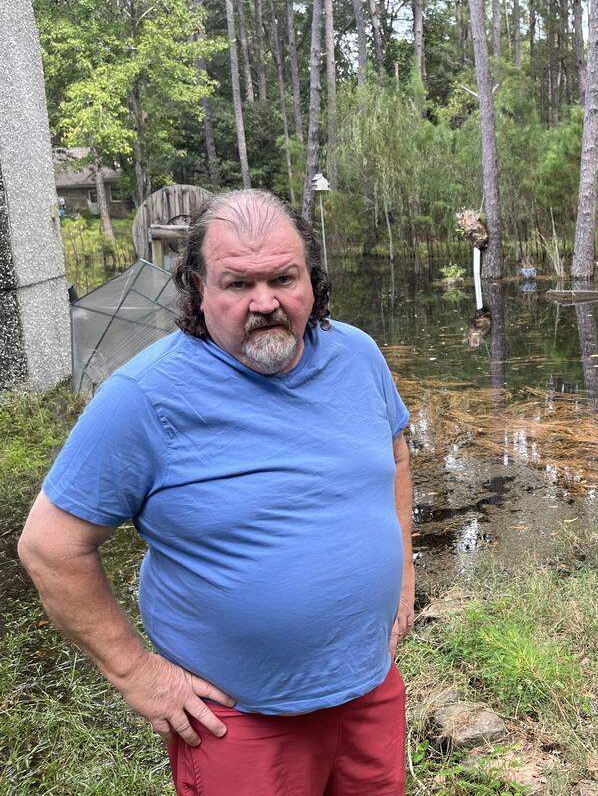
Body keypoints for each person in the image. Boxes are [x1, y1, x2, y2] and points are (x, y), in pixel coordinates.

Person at [18, 189, 414, 795]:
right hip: (239, 721)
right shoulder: (144, 397)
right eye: (237, 284)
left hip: (369, 690)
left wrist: (404, 571)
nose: (265, 302)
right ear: (198, 289)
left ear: (312, 279)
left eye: (284, 278)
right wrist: (137, 674)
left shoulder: (357, 355)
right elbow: (50, 546)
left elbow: (394, 453)